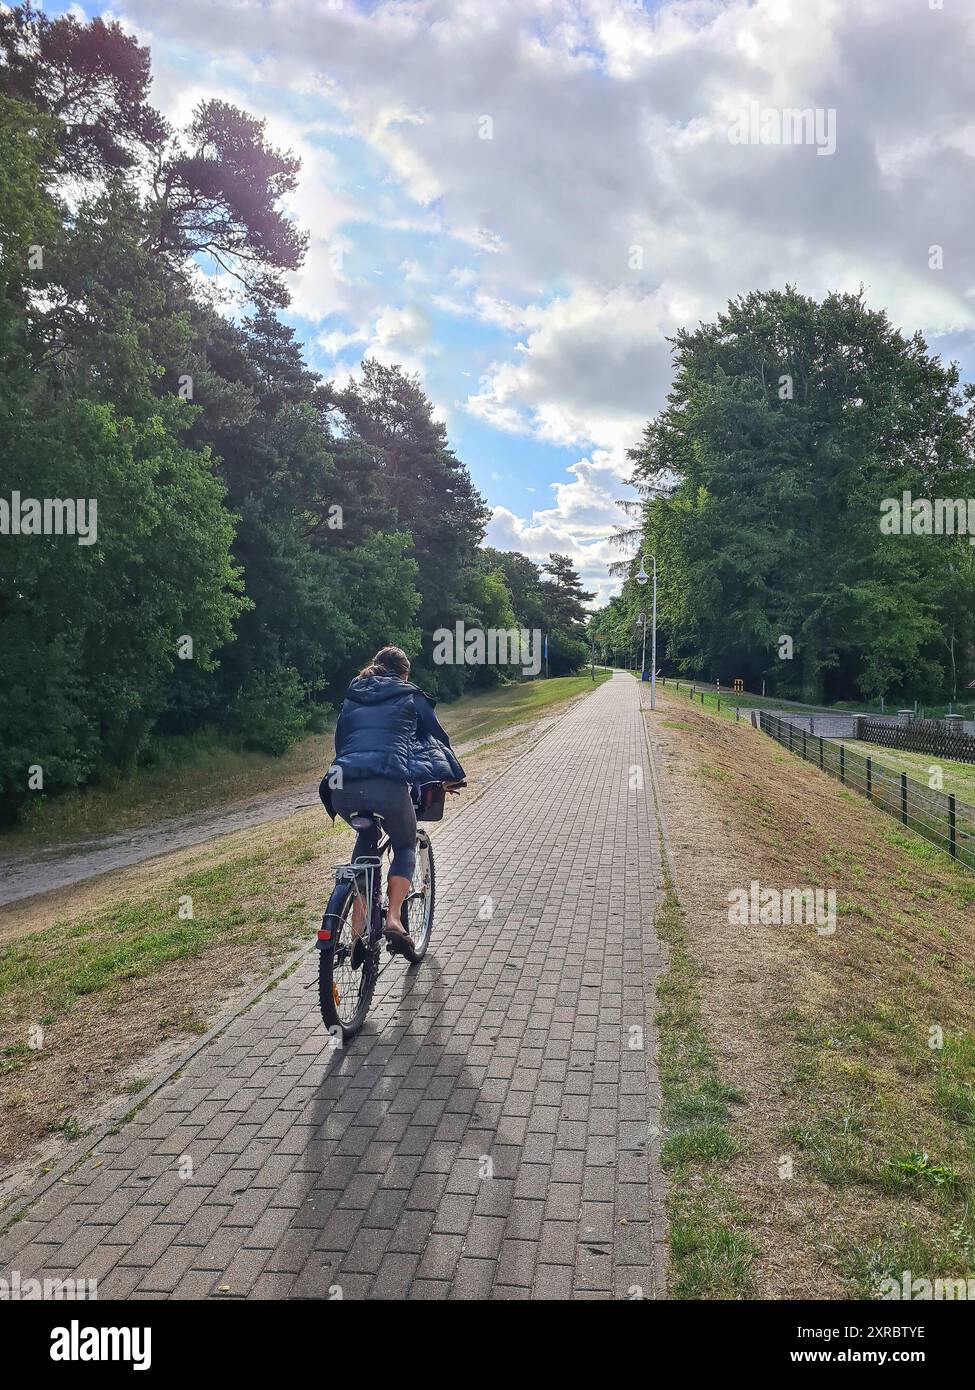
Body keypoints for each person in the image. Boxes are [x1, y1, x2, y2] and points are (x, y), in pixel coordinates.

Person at [320, 646, 464, 962]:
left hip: (340, 784)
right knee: (404, 844)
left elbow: (343, 741)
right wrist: (451, 776)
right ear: (404, 674)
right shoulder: (411, 695)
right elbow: (438, 738)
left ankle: (357, 929)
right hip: (386, 783)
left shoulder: (352, 695)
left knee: (366, 840)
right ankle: (394, 920)